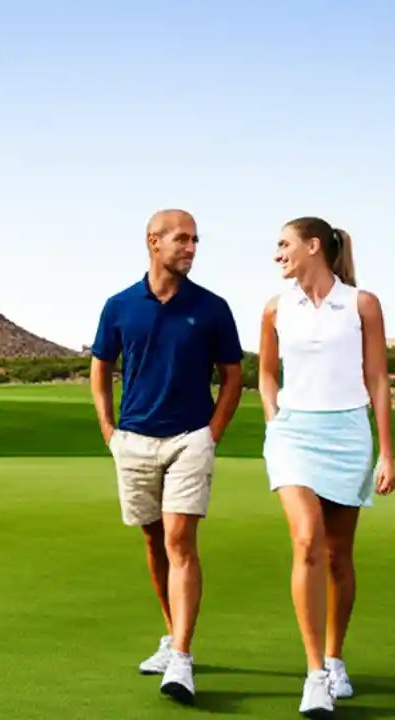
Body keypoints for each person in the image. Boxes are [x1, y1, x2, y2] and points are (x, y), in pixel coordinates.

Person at [89, 209, 244, 705]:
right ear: (153, 242)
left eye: (196, 240)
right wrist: (109, 431)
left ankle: (181, 657)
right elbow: (100, 367)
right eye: (182, 239)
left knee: (180, 540)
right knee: (154, 541)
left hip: (189, 439)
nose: (192, 248)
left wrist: (212, 433)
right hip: (133, 440)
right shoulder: (119, 306)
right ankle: (170, 633)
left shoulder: (212, 308)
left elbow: (233, 375)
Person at [258, 216, 395, 718]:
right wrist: (274, 422)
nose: (277, 254)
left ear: (313, 246)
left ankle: (336, 658)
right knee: (307, 540)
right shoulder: (275, 308)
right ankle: (315, 674)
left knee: (339, 556)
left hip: (348, 435)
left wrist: (386, 452)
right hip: (293, 435)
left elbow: (378, 379)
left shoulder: (362, 304)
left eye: (284, 244)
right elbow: (266, 374)